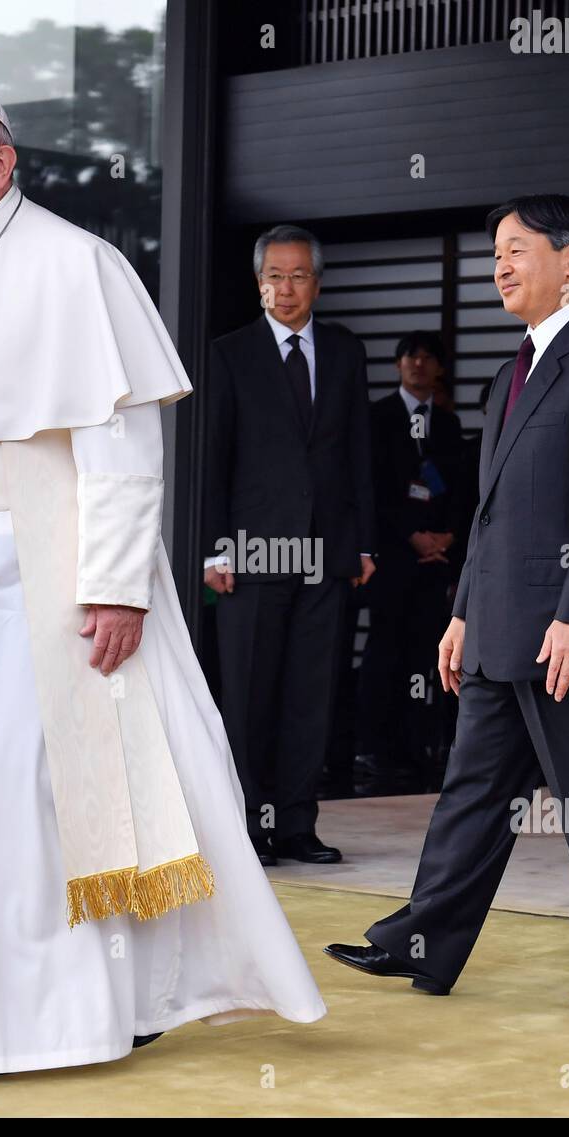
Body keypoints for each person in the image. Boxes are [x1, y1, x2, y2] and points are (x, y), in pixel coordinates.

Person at [0, 85, 325, 1078]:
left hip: (30, 572)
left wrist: (116, 585)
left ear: (0, 163)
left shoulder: (75, 263)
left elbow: (122, 445)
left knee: (27, 796)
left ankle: (45, 1017)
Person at [326, 194, 569, 1010]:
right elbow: (490, 510)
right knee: (473, 795)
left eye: (518, 249)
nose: (502, 267)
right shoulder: (512, 370)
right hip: (498, 628)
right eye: (495, 255)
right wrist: (463, 612)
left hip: (564, 632)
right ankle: (419, 944)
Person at [203, 223, 376, 867]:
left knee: (312, 692)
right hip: (251, 553)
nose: (286, 287)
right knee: (249, 693)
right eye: (274, 276)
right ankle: (251, 825)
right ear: (258, 284)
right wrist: (214, 550)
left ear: (317, 284)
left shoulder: (346, 352)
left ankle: (299, 825)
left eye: (298, 275)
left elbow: (359, 450)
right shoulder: (229, 354)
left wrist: (364, 544)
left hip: (326, 551)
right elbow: (213, 459)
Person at [357, 331, 467, 792]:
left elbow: (461, 488)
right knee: (385, 651)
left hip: (435, 559)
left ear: (439, 368)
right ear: (398, 364)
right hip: (392, 555)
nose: (418, 364)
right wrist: (412, 535)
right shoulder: (377, 416)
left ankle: (417, 744)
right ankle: (372, 746)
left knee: (427, 652)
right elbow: (371, 487)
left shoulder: (448, 423)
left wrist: (448, 536)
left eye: (427, 358)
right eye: (410, 356)